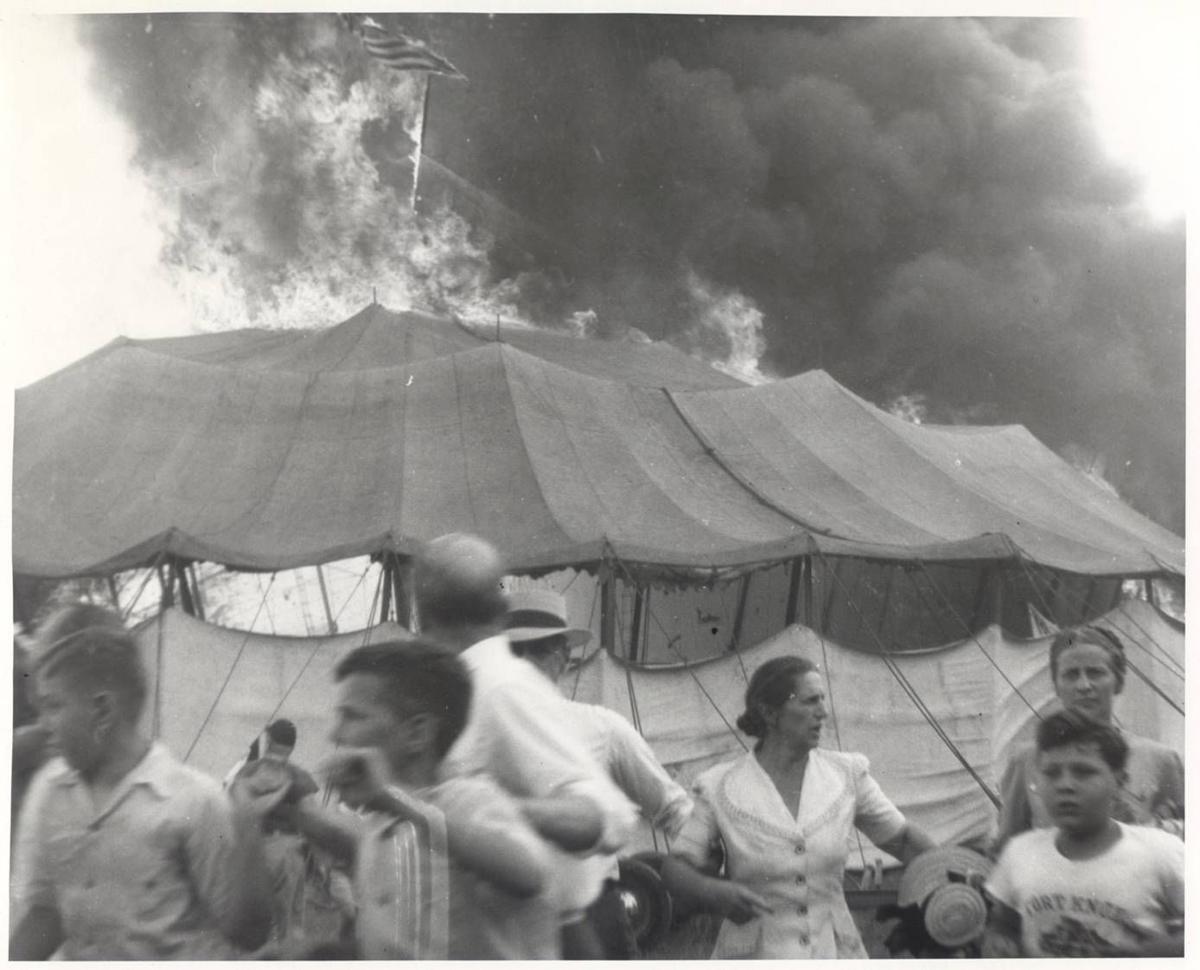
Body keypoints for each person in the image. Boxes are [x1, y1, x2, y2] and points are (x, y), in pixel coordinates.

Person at [9, 603, 283, 960]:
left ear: (103, 710)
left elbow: (247, 932)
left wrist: (247, 825)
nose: (43, 724)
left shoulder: (193, 801)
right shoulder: (49, 791)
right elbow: (45, 914)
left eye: (54, 706)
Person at [415, 534, 638, 955]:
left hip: (539, 937)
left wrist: (484, 811)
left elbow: (607, 817)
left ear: (419, 609)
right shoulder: (456, 684)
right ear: (501, 611)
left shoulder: (500, 686)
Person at [284, 639, 560, 959]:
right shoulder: (382, 822)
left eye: (353, 716)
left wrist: (395, 801)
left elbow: (530, 874)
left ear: (417, 734)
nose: (334, 734)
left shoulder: (470, 800)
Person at [661, 654, 935, 959]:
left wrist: (956, 876)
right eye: (809, 702)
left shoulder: (846, 775)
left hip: (832, 953)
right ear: (769, 712)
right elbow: (676, 869)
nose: (823, 713)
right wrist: (712, 893)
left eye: (822, 700)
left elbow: (905, 840)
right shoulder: (720, 787)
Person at [508, 588, 694, 958]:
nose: (519, 666)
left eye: (532, 652)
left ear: (562, 657)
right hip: (508, 912)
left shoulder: (601, 729)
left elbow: (673, 807)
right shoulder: (478, 729)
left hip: (590, 909)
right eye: (512, 655)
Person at [983, 710, 1184, 957]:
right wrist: (1000, 940)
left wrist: (1148, 953)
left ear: (1120, 782)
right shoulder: (1020, 852)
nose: (1065, 785)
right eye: (1052, 773)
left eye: (1083, 772)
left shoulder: (1162, 852)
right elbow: (1004, 923)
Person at [994, 624, 1183, 851]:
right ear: (1056, 685)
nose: (1084, 685)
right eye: (1071, 675)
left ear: (1118, 681)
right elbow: (1008, 847)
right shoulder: (1028, 760)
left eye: (1095, 673)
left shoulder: (1160, 759)